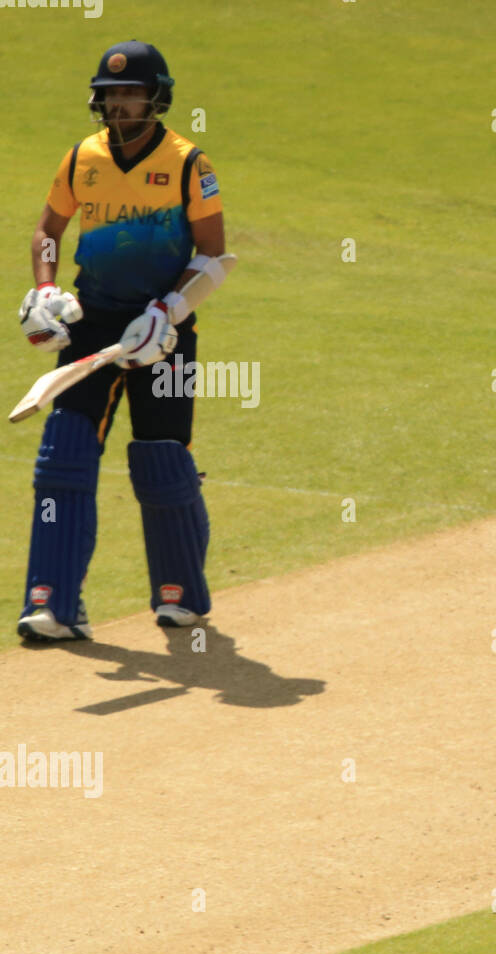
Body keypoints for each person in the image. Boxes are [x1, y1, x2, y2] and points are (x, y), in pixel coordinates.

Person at [16, 39, 228, 642]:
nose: (120, 104)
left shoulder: (191, 163)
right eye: (110, 95)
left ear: (155, 96)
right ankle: (52, 600)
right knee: (63, 456)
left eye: (131, 93)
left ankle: (179, 592)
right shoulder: (82, 156)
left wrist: (169, 310)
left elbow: (214, 256)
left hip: (166, 331)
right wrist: (46, 289)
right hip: (96, 320)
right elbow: (47, 230)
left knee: (162, 459)